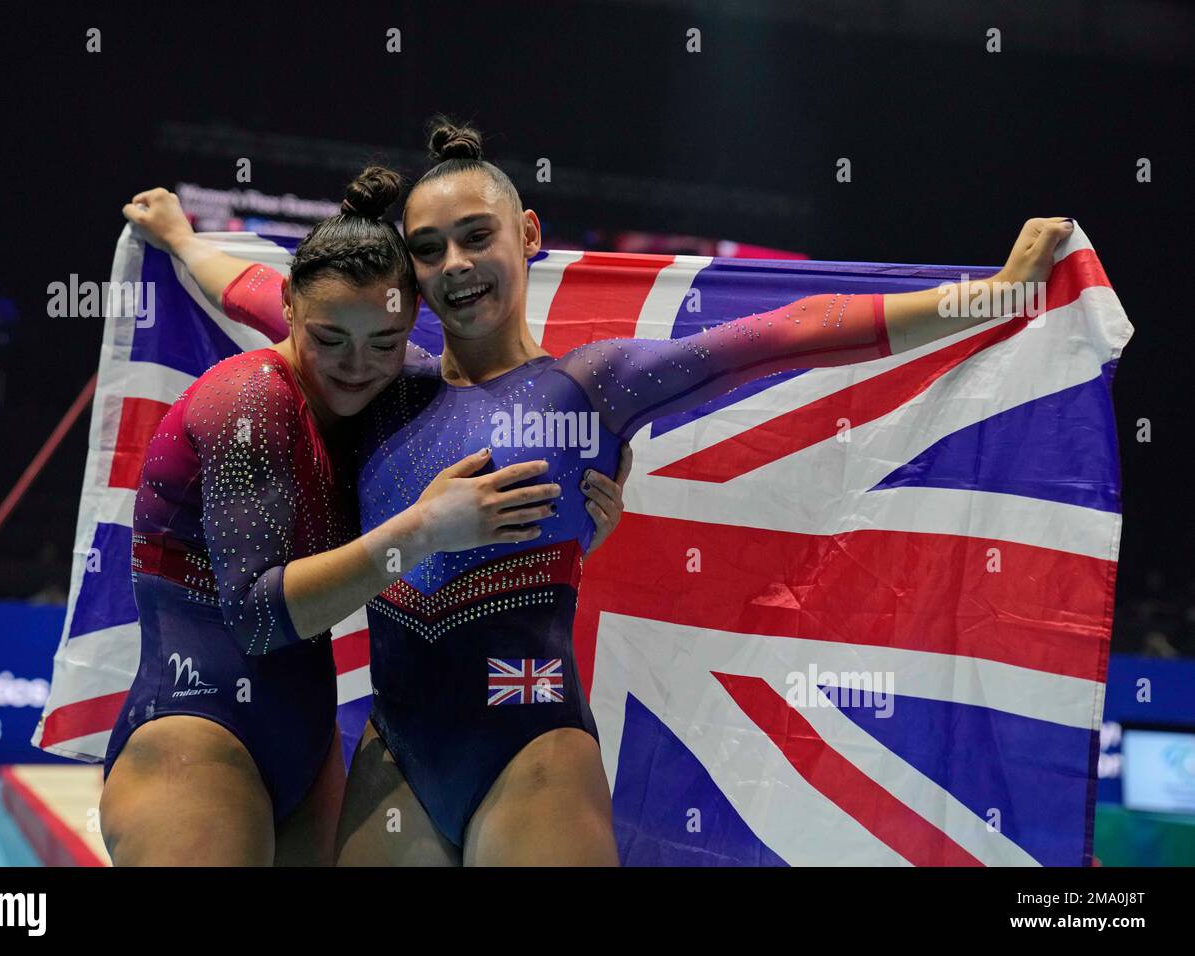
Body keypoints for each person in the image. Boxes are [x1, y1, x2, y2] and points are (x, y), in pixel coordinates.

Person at [207, 119, 1075, 865]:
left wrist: (990, 295)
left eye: (478, 236)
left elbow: (778, 337)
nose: (455, 263)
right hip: (392, 752)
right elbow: (266, 300)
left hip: (528, 741)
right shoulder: (387, 386)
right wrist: (178, 240)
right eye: (428, 249)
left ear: (529, 232)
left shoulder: (595, 386)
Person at [98, 166, 631, 866]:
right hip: (194, 735)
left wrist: (579, 505)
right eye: (332, 338)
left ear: (408, 324)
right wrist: (422, 529)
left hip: (305, 752)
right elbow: (258, 619)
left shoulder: (381, 385)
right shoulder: (249, 401)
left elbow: (244, 286)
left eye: (385, 342)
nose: (357, 365)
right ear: (293, 310)